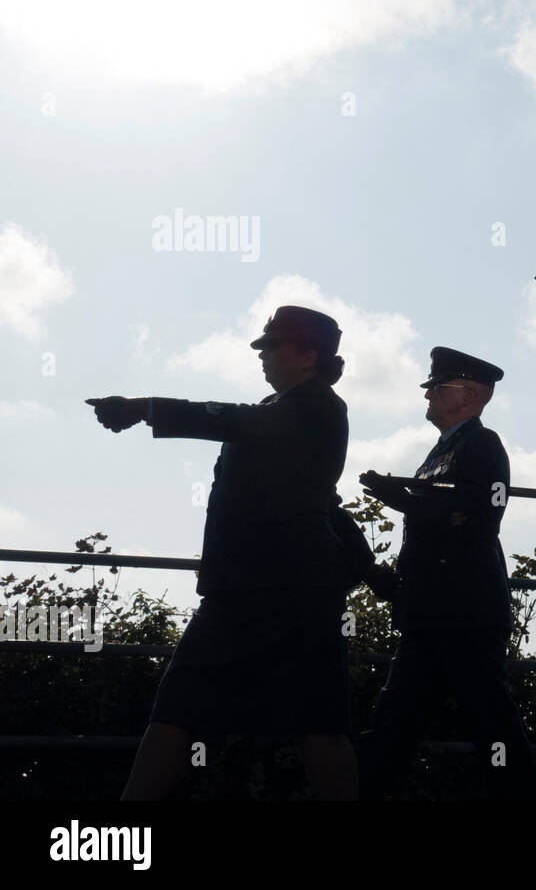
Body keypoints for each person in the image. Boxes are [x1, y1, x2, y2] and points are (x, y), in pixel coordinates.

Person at [88, 305, 357, 800]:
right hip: (265, 590)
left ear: (308, 357)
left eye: (274, 346)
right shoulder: (290, 410)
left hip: (277, 592)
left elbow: (234, 422)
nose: (264, 356)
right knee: (197, 711)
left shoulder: (312, 407)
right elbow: (321, 499)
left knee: (305, 722)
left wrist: (143, 406)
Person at [356, 347, 536, 799]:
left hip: (465, 615)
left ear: (470, 393)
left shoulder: (482, 445)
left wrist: (404, 501)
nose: (429, 396)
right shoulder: (442, 452)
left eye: (438, 388)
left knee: (490, 726)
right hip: (431, 613)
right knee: (393, 726)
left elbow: (479, 517)